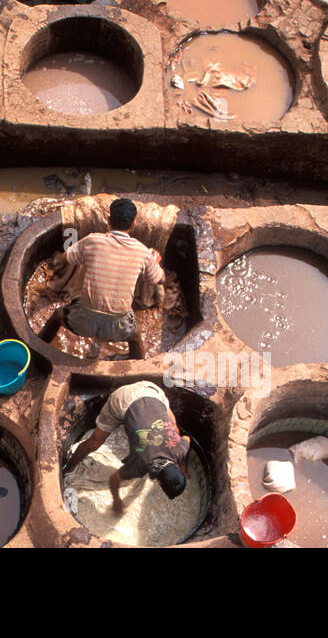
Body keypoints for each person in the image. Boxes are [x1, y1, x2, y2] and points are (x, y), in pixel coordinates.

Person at [49, 197, 165, 359]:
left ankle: (40, 347)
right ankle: (137, 364)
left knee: (57, 316)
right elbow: (158, 279)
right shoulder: (142, 252)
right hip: (118, 328)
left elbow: (64, 259)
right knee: (135, 336)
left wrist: (68, 258)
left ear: (109, 221)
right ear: (132, 224)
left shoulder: (92, 241)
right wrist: (155, 261)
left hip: (83, 322)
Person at [63, 379, 191, 513]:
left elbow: (186, 439)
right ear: (158, 482)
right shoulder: (140, 463)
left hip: (152, 391)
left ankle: (135, 419)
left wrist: (183, 466)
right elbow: (114, 480)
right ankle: (68, 469)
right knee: (94, 443)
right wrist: (117, 502)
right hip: (124, 399)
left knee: (174, 430)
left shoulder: (180, 449)